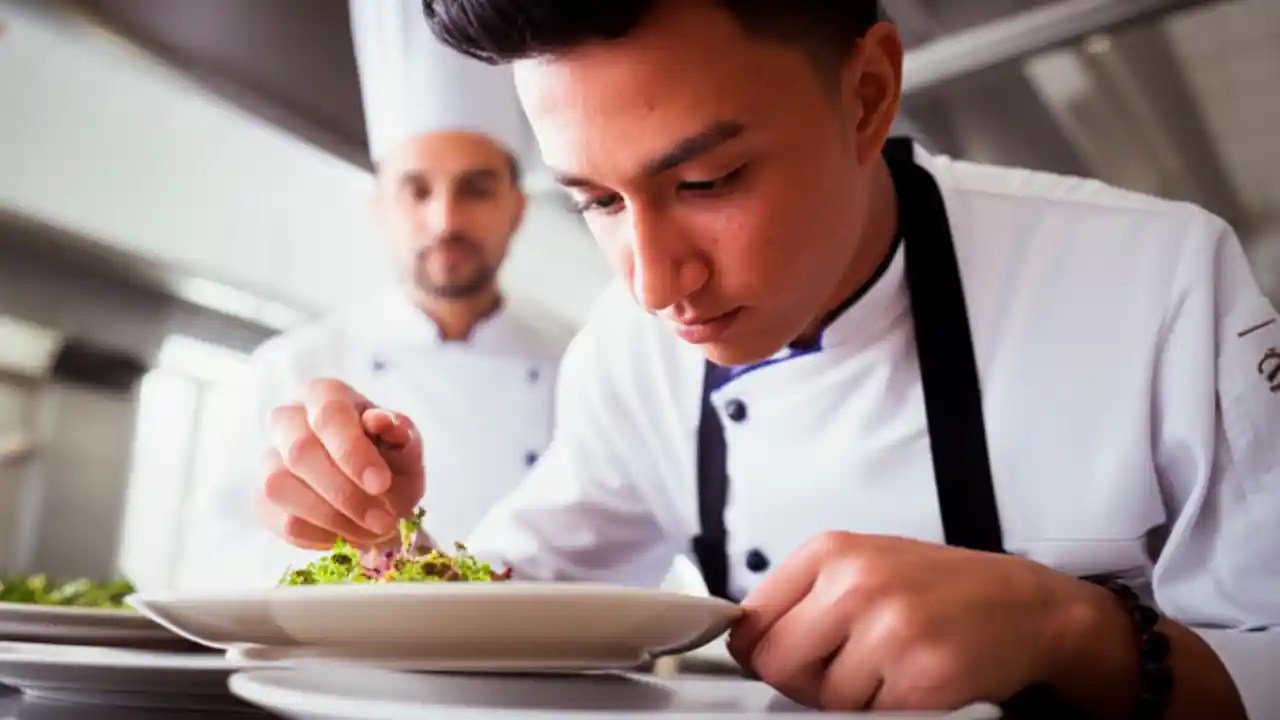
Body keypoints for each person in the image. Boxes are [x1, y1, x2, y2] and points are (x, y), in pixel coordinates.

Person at [254, 1, 1279, 716]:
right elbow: (521, 602)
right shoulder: (626, 353)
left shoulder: (1158, 281)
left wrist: (1069, 631)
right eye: (598, 203)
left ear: (869, 93)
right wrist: (388, 538)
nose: (653, 284)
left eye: (706, 180)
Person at [176, 5, 568, 587]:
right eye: (416, 190)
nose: (445, 220)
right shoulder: (292, 369)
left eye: (477, 189)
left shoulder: (580, 368)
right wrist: (358, 556)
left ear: (518, 207)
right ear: (380, 207)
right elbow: (213, 560)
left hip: (542, 669)